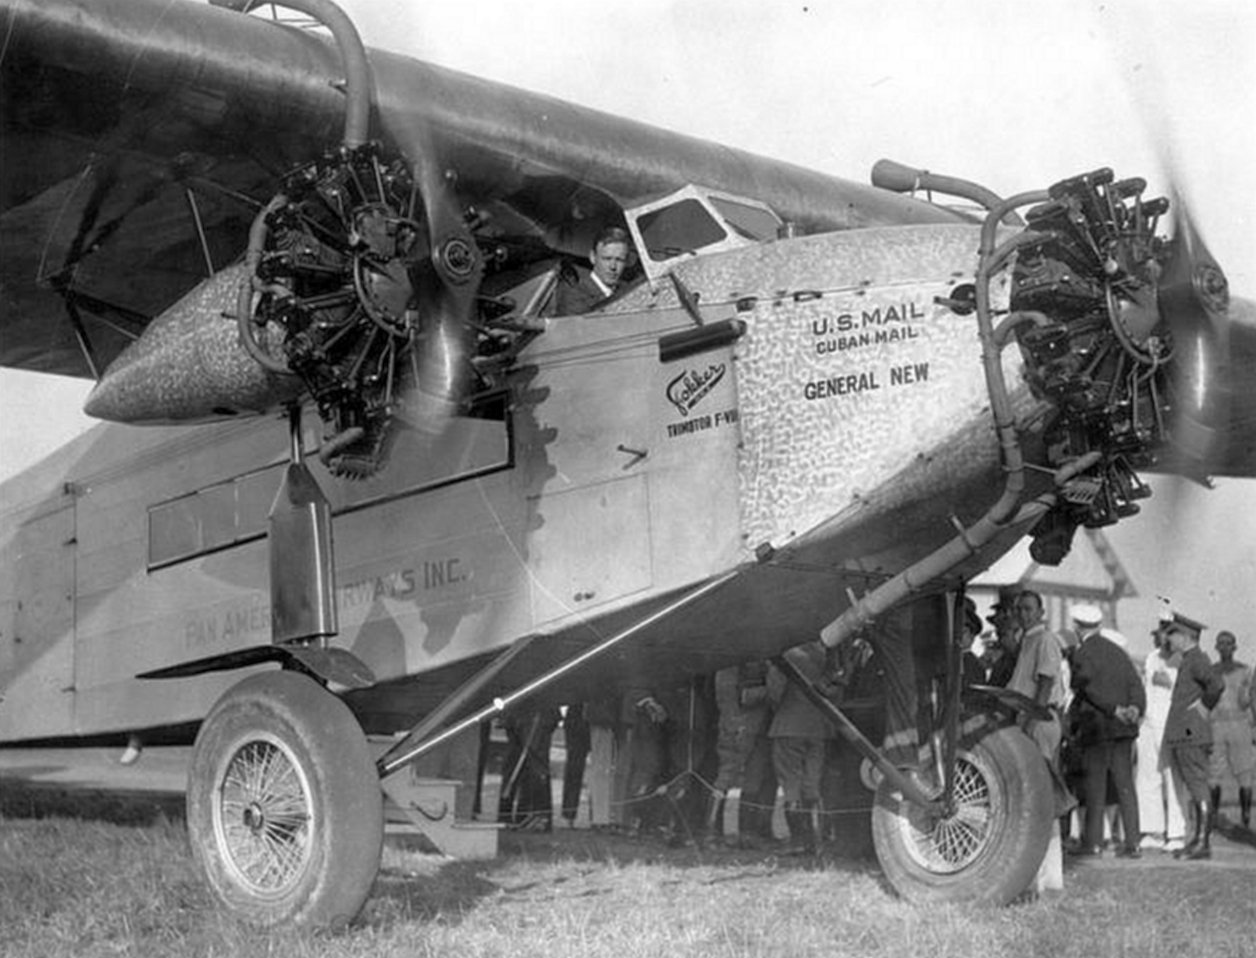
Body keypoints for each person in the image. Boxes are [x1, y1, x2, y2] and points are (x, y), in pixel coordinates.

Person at [1067, 606, 1146, 858]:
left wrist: (1113, 709)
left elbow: (1086, 689)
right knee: (1125, 786)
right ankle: (1133, 842)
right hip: (1123, 729)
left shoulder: (1082, 653)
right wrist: (1134, 708)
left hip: (1098, 727)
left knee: (1095, 786)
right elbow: (1136, 684)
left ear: (1078, 627)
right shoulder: (1118, 652)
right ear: (1098, 625)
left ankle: (1094, 842)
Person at [767, 641, 840, 854]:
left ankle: (798, 841)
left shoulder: (787, 655)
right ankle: (816, 841)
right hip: (819, 728)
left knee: (791, 785)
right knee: (812, 784)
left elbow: (775, 692)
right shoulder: (824, 654)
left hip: (788, 726)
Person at [1163, 613, 1225, 859]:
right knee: (1194, 785)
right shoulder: (1189, 659)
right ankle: (1198, 841)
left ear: (1186, 637)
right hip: (1186, 733)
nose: (1169, 638)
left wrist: (1204, 706)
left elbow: (1217, 684)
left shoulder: (1196, 659)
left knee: (1198, 785)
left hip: (1190, 733)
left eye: (1173, 633)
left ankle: (1202, 844)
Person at [1135, 614, 1189, 852]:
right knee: (1147, 778)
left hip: (1170, 724)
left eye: (1169, 632)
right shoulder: (1150, 658)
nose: (1164, 637)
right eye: (1161, 632)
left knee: (1172, 778)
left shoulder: (1182, 661)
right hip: (1148, 725)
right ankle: (1152, 831)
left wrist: (1168, 681)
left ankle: (1176, 833)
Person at [708, 660, 774, 845]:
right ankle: (711, 830)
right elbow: (727, 693)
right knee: (726, 776)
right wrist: (733, 721)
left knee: (754, 778)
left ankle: (747, 833)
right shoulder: (733, 657)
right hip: (739, 725)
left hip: (758, 726)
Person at [1208, 630, 1255, 828]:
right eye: (1221, 643)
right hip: (1217, 723)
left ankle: (1245, 815)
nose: (1225, 647)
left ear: (1235, 647)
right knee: (1213, 772)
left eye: (1229, 643)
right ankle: (1213, 815)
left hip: (1239, 723)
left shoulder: (1245, 671)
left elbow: (1250, 700)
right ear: (1216, 647)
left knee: (1244, 770)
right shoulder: (1210, 671)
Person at [544, 225, 632, 316]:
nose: (613, 266)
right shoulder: (574, 295)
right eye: (607, 259)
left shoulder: (629, 291)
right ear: (593, 257)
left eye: (619, 260)